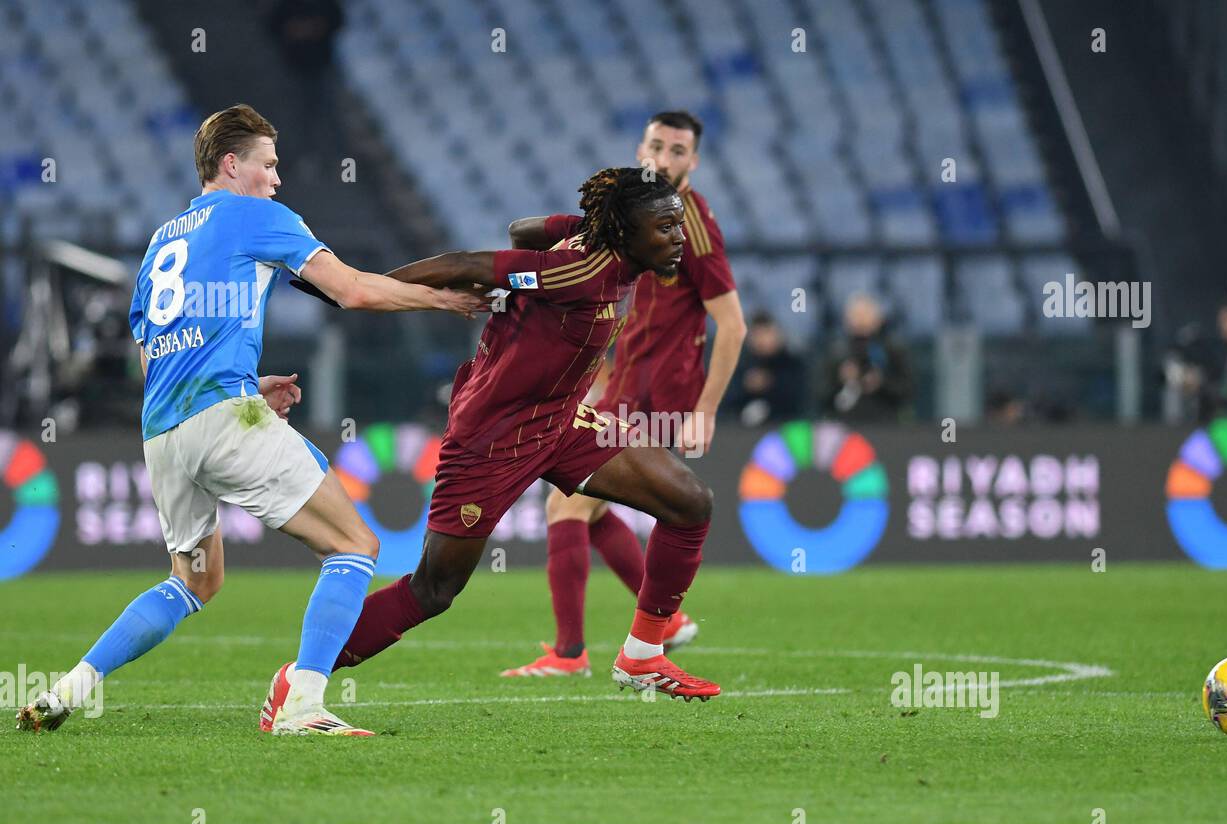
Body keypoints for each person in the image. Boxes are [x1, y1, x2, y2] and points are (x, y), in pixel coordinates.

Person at [16, 104, 484, 737]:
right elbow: (351, 290)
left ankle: (71, 687)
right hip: (222, 419)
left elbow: (155, 342)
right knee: (355, 546)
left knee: (194, 580)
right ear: (232, 165)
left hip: (163, 431)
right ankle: (301, 703)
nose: (277, 179)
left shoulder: (162, 240)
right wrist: (440, 297)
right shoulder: (260, 217)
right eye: (268, 164)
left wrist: (247, 382)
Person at [260, 167, 724, 726]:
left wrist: (579, 229)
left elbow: (522, 226)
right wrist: (354, 287)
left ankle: (644, 654)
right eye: (666, 227)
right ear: (629, 231)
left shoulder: (597, 240)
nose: (679, 238)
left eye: (679, 225)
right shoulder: (579, 269)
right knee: (434, 589)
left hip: (560, 420)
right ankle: (301, 680)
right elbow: (467, 264)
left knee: (690, 502)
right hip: (493, 435)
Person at [500, 110, 746, 678]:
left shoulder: (694, 225)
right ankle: (662, 625)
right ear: (640, 148)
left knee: (569, 501)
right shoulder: (639, 216)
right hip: (628, 386)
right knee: (574, 500)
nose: (663, 159)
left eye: (677, 151)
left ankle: (572, 654)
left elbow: (731, 324)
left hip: (661, 394)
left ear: (693, 162)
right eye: (656, 146)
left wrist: (704, 410)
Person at [822, 293, 912, 422]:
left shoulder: (892, 350)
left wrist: (881, 382)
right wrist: (842, 379)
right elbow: (820, 395)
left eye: (865, 314)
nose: (860, 320)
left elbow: (907, 390)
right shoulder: (837, 352)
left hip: (886, 427)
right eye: (856, 315)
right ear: (846, 319)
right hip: (845, 428)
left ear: (878, 319)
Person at [732, 312, 806, 426]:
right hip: (741, 433)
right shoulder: (741, 364)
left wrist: (770, 383)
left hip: (784, 427)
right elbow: (727, 400)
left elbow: (798, 400)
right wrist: (746, 386)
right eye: (757, 335)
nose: (762, 340)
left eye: (767, 333)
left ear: (778, 334)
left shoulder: (792, 363)